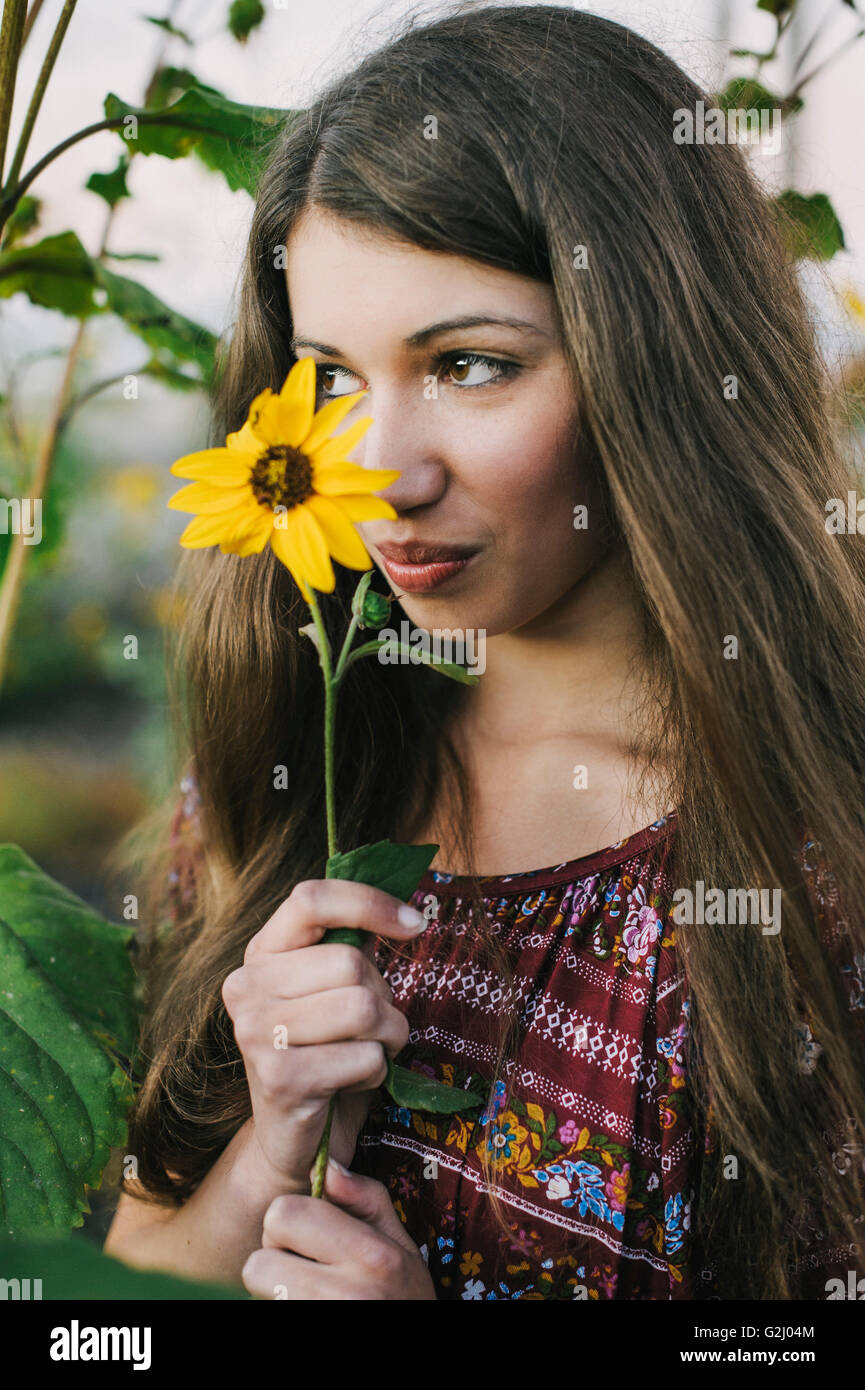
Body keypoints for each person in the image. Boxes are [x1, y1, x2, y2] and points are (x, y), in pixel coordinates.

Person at [104, 4, 865, 1300]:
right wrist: (260, 1156)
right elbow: (116, 1286)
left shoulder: (815, 861)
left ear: (655, 358)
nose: (382, 471)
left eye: (467, 364)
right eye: (331, 379)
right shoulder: (302, 753)